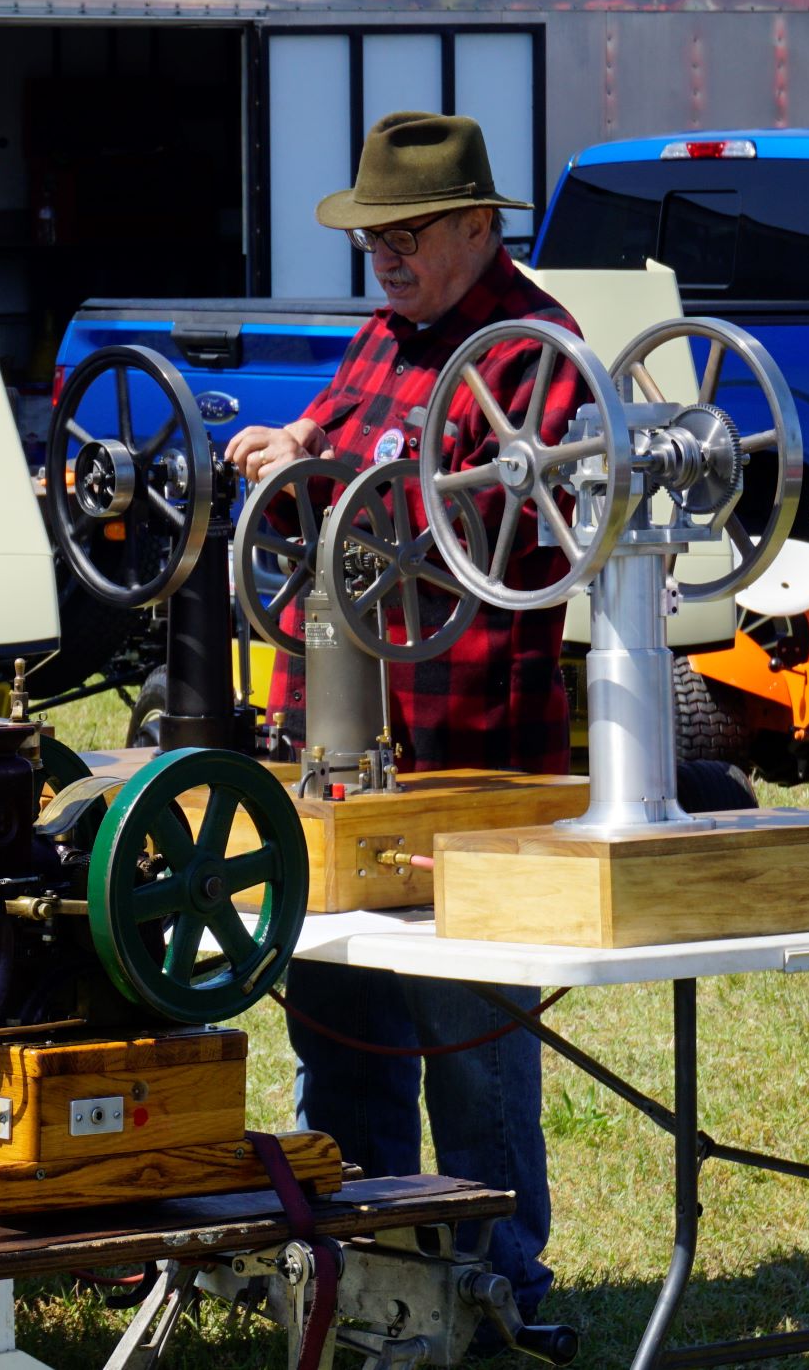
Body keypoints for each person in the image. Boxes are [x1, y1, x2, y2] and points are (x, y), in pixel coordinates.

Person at [222, 110, 581, 1330]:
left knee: (465, 1035)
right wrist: (287, 446)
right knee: (342, 1014)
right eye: (373, 231)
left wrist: (342, 496)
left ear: (481, 226)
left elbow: (520, 540)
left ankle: (495, 1283)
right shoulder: (389, 335)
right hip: (336, 747)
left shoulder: (534, 355)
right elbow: (333, 437)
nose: (384, 251)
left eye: (409, 230)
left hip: (466, 747)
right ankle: (364, 1268)